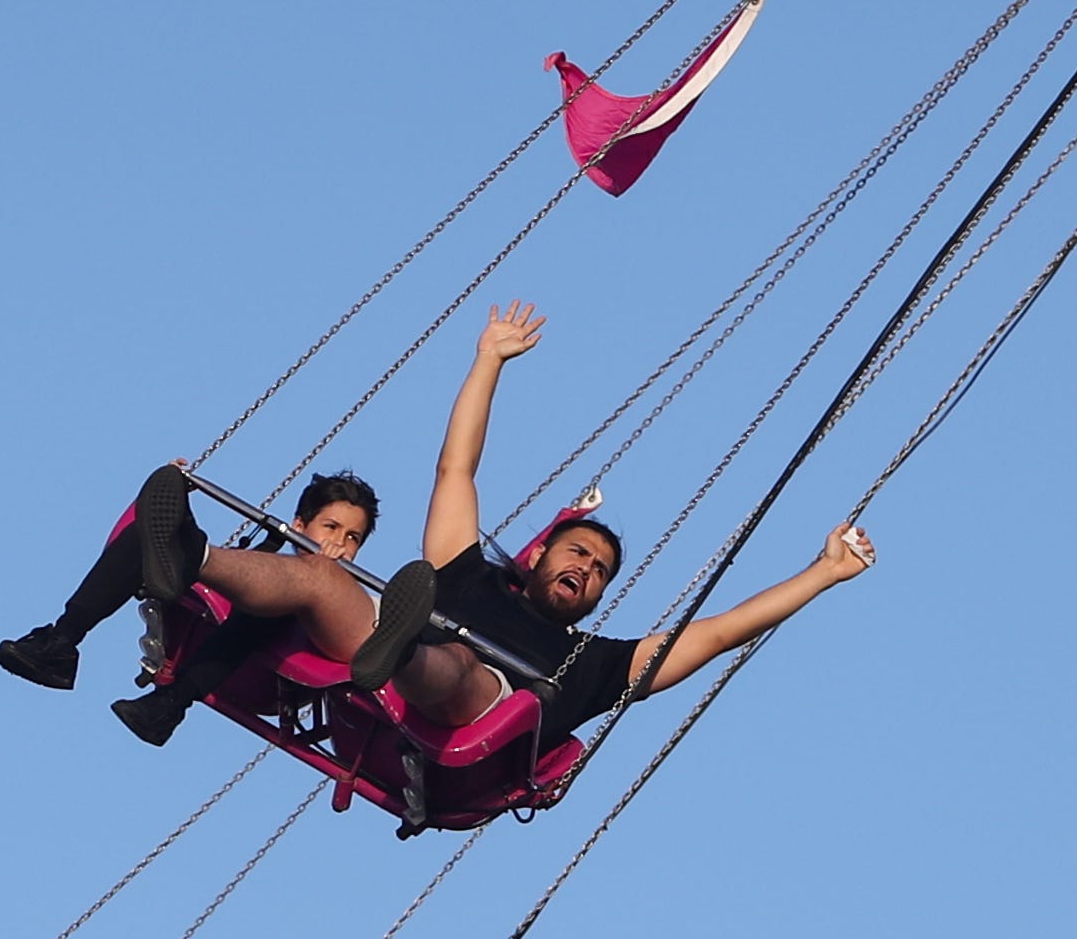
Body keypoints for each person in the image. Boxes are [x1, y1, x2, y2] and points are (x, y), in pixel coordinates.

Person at [127, 303, 875, 744]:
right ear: (541, 551)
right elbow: (457, 470)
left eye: (599, 574)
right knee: (322, 572)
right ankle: (191, 555)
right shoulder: (466, 572)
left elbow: (715, 632)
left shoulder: (596, 663)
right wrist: (488, 361)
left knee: (464, 668)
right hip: (375, 660)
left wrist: (822, 573)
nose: (585, 570)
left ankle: (405, 651)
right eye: (577, 552)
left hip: (467, 724)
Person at [0, 472, 381, 747]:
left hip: (276, 680)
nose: (341, 544)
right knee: (150, 539)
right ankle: (61, 641)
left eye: (353, 538)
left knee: (282, 603)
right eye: (330, 527)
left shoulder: (346, 604)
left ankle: (173, 702)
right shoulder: (266, 564)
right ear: (299, 525)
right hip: (215, 639)